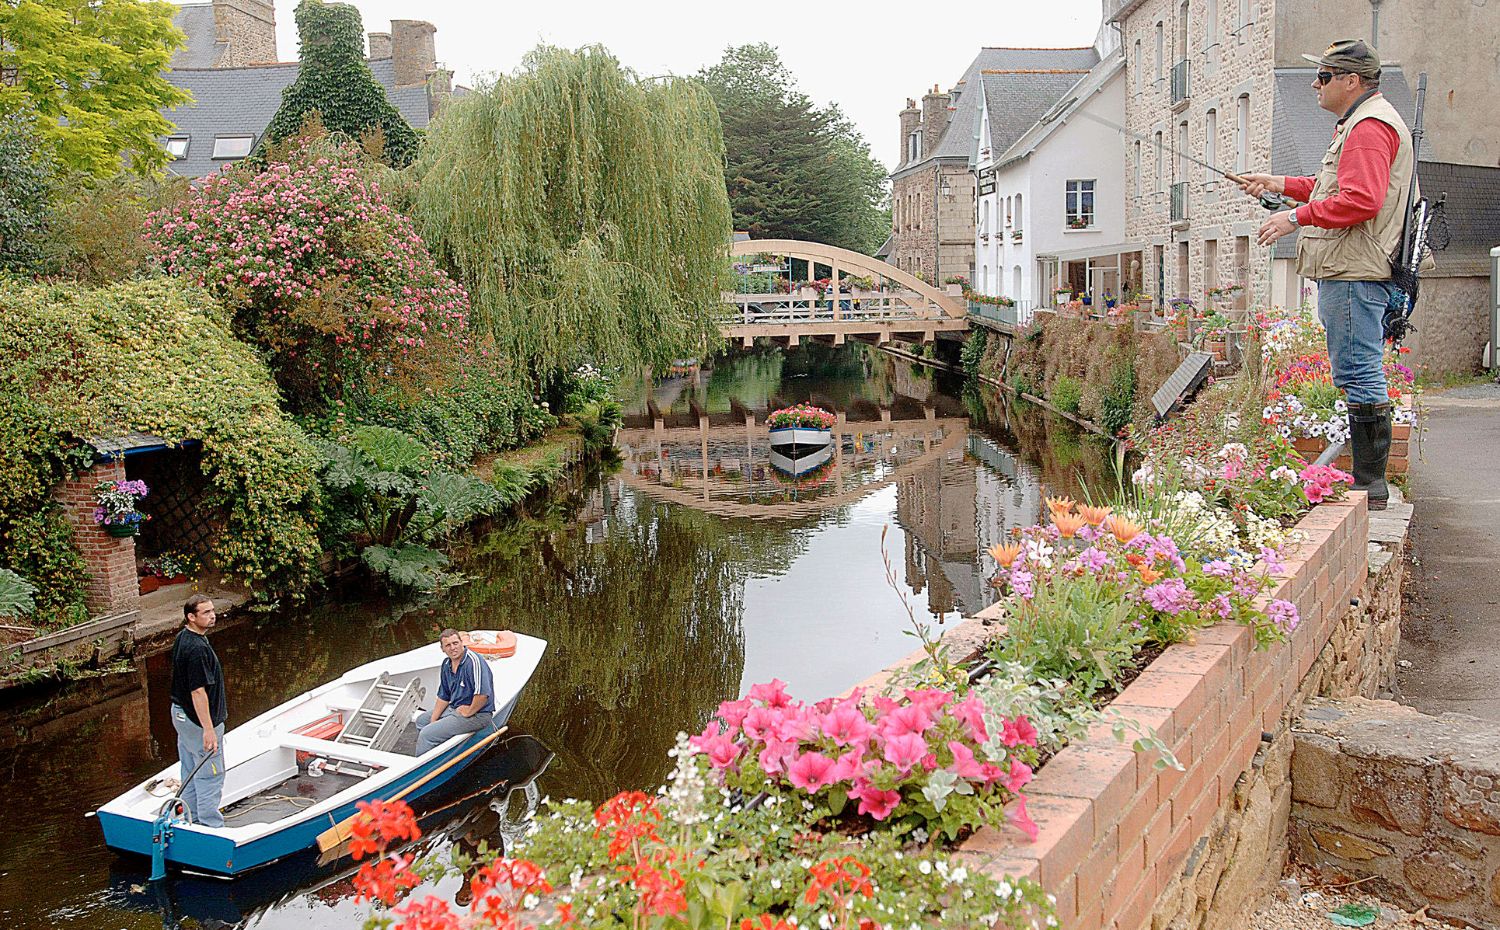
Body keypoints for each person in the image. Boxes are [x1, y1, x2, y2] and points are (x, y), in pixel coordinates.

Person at [1238, 38, 1420, 511]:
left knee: (1359, 372)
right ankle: (1368, 484)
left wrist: (1293, 218)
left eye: (1324, 76)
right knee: (1355, 369)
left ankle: (1368, 487)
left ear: (1352, 81)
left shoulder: (1369, 127)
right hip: (1353, 268)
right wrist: (1280, 184)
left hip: (1355, 270)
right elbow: (1332, 188)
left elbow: (1361, 200)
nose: (1316, 85)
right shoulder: (1365, 121)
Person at [170, 594, 227, 827]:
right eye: (205, 613)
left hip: (181, 715)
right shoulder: (197, 650)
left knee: (189, 768)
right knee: (210, 772)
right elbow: (198, 692)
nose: (212, 616)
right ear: (191, 617)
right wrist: (208, 729)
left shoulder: (183, 638)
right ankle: (210, 826)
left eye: (212, 611)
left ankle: (188, 819)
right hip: (198, 720)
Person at [415, 629, 496, 755]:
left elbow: (482, 695)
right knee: (421, 721)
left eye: (455, 643)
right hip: (455, 708)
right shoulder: (446, 664)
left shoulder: (474, 661)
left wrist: (469, 711)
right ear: (442, 649)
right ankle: (440, 749)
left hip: (478, 714)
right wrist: (433, 720)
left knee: (426, 734)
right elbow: (444, 696)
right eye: (448, 645)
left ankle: (422, 767)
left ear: (461, 643)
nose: (453, 648)